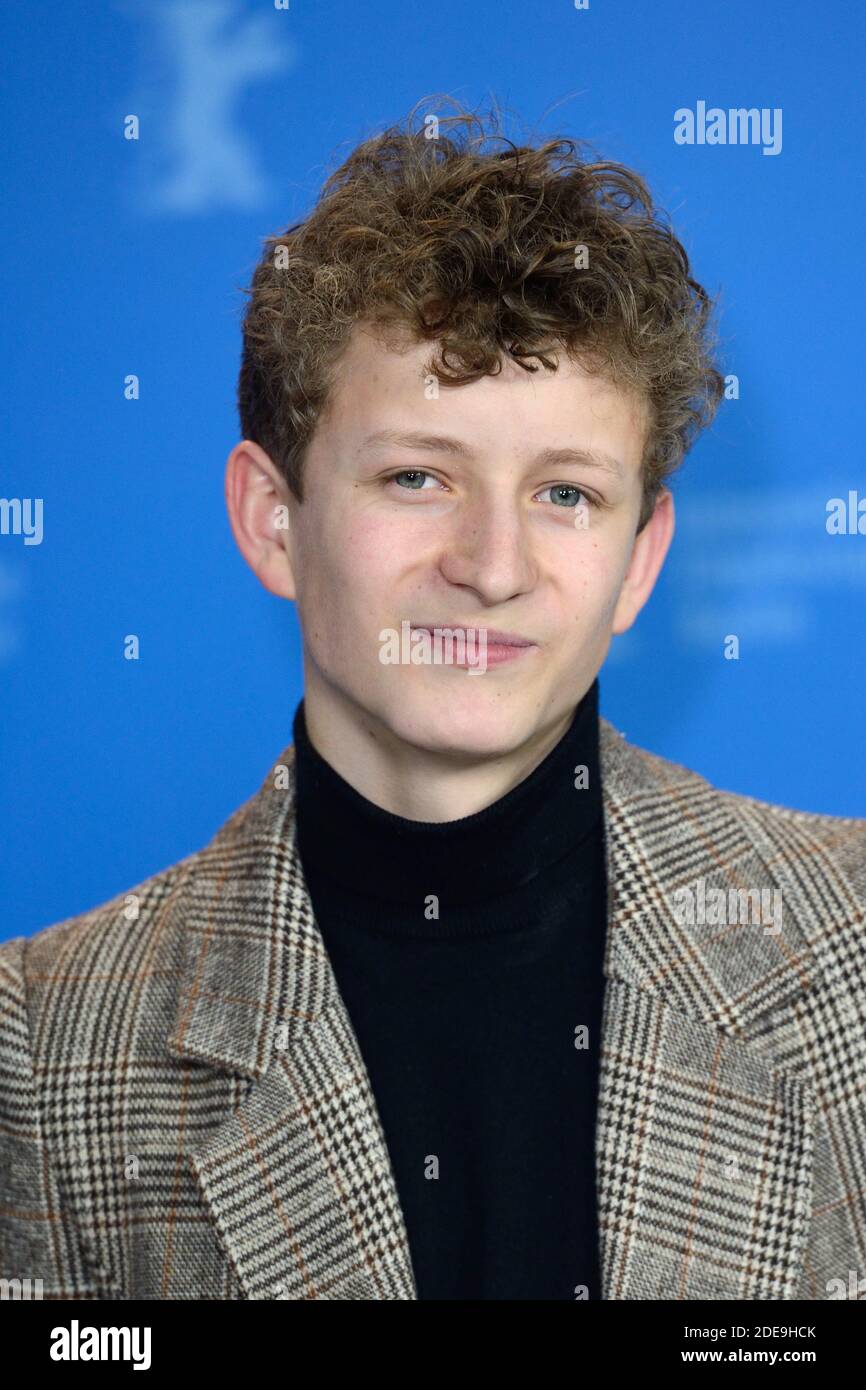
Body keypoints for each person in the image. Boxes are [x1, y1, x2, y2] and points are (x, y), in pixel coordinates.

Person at [1, 104, 864, 1302]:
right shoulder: (43, 1049)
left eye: (564, 494)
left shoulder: (848, 941)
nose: (492, 564)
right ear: (274, 520)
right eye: (418, 477)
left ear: (642, 557)